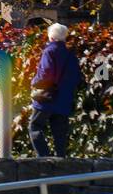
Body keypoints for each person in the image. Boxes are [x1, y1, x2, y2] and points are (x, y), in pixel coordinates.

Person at [29, 23, 82, 157]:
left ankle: (44, 158)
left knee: (35, 126)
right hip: (63, 100)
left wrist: (34, 81)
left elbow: (46, 73)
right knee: (59, 132)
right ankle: (61, 160)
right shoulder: (70, 54)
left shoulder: (49, 51)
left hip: (46, 97)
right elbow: (77, 77)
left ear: (51, 37)